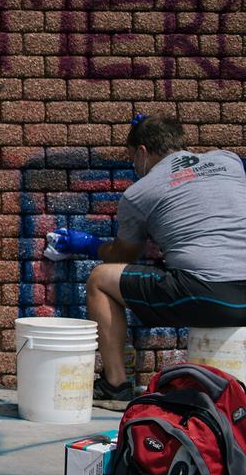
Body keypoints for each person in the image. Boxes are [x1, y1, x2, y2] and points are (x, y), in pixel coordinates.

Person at [46, 115, 246, 410]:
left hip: (209, 295)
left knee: (100, 279)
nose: (133, 166)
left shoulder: (139, 193)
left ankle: (115, 386)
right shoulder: (228, 161)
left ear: (141, 151)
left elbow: (125, 256)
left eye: (131, 158)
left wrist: (86, 244)